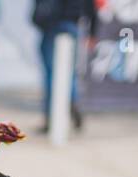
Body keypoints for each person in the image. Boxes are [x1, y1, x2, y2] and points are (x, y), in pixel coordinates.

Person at [33, 0, 95, 132]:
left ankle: (51, 116)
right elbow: (90, 6)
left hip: (50, 26)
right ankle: (72, 100)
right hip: (72, 24)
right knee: (69, 72)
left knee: (51, 74)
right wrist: (93, 31)